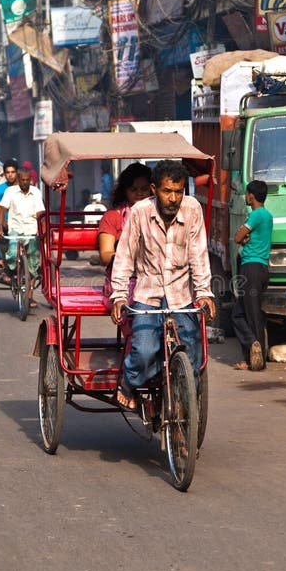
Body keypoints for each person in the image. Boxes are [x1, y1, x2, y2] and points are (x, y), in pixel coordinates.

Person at [110, 159, 215, 409]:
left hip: (182, 294)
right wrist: (119, 295)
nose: (173, 198)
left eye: (178, 192)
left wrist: (204, 293)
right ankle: (129, 383)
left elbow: (199, 254)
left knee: (193, 353)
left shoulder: (192, 209)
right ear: (154, 189)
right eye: (167, 191)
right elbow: (125, 255)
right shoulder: (140, 212)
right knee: (145, 351)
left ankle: (185, 409)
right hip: (148, 294)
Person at [98, 164, 152, 323]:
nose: (139, 194)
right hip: (123, 282)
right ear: (125, 190)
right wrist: (128, 258)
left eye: (144, 189)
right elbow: (105, 255)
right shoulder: (112, 217)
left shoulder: (161, 215)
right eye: (133, 189)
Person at [232, 180, 273, 371]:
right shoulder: (268, 216)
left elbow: (237, 238)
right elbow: (246, 238)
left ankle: (256, 357)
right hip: (261, 268)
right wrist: (245, 238)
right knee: (239, 313)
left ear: (251, 195)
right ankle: (251, 352)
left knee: (251, 314)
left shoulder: (256, 215)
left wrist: (242, 237)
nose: (246, 197)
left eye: (247, 194)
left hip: (251, 267)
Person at [0, 167, 45, 307]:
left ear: (30, 179)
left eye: (27, 180)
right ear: (18, 179)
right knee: (12, 254)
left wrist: (43, 231)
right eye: (22, 180)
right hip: (15, 230)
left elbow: (40, 213)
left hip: (32, 230)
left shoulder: (36, 192)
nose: (25, 182)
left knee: (33, 264)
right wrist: (0, 228)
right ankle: (11, 271)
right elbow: (2, 210)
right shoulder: (10, 191)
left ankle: (29, 297)